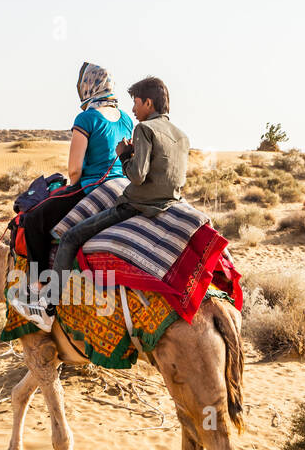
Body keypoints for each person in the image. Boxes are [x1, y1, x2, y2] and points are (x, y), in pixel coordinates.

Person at [13, 62, 132, 330]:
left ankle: (38, 292)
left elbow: (75, 169)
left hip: (92, 187)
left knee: (34, 219)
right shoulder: (126, 118)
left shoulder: (86, 119)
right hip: (122, 186)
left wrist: (71, 187)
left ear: (88, 86)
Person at [49, 76, 189, 303]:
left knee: (70, 238)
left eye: (136, 102)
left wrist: (124, 154)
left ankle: (49, 305)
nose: (132, 109)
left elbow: (137, 175)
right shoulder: (181, 134)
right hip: (171, 203)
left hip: (136, 205)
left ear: (148, 104)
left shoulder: (144, 129)